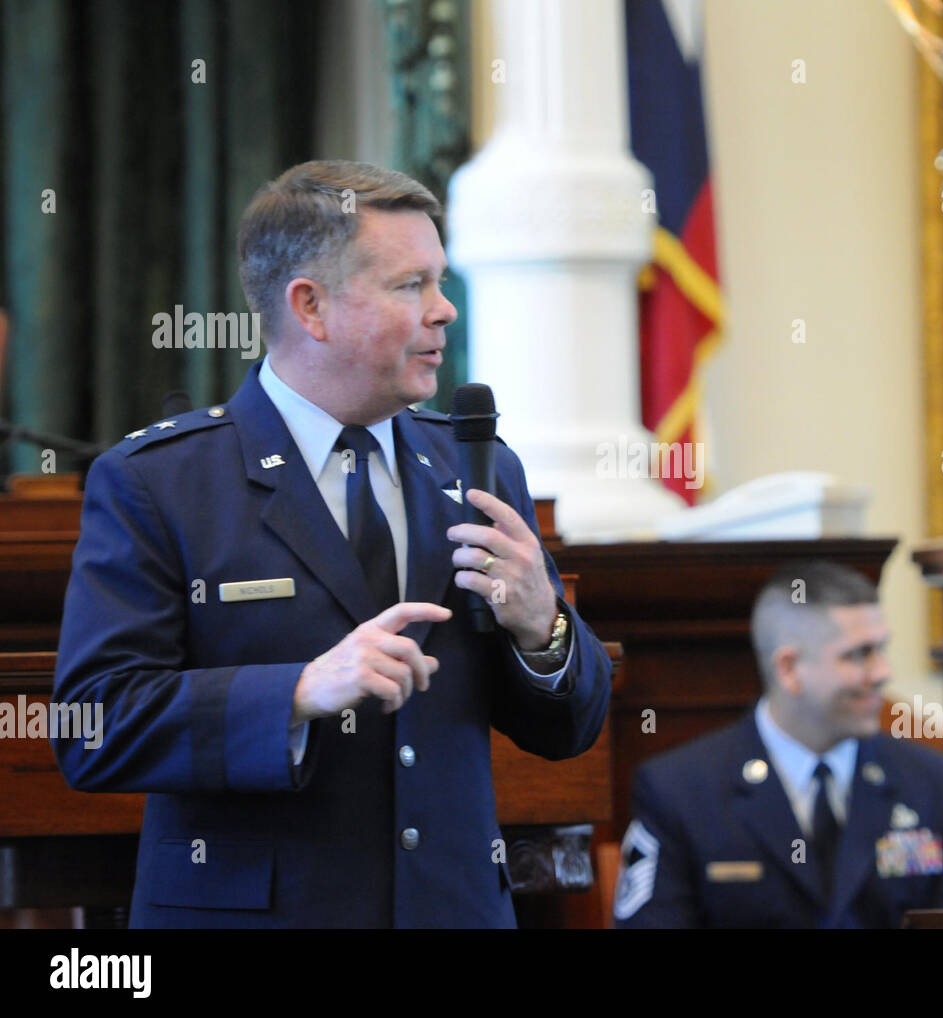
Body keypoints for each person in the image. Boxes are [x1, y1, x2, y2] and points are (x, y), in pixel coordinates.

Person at [50, 161, 611, 928]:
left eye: (440, 282)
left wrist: (543, 628)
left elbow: (569, 730)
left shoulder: (475, 463)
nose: (444, 311)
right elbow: (95, 726)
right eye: (410, 285)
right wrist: (297, 693)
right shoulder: (161, 482)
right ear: (309, 307)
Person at [613, 560, 943, 928]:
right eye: (858, 654)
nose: (882, 673)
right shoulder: (682, 791)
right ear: (789, 669)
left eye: (881, 649)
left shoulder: (931, 783)